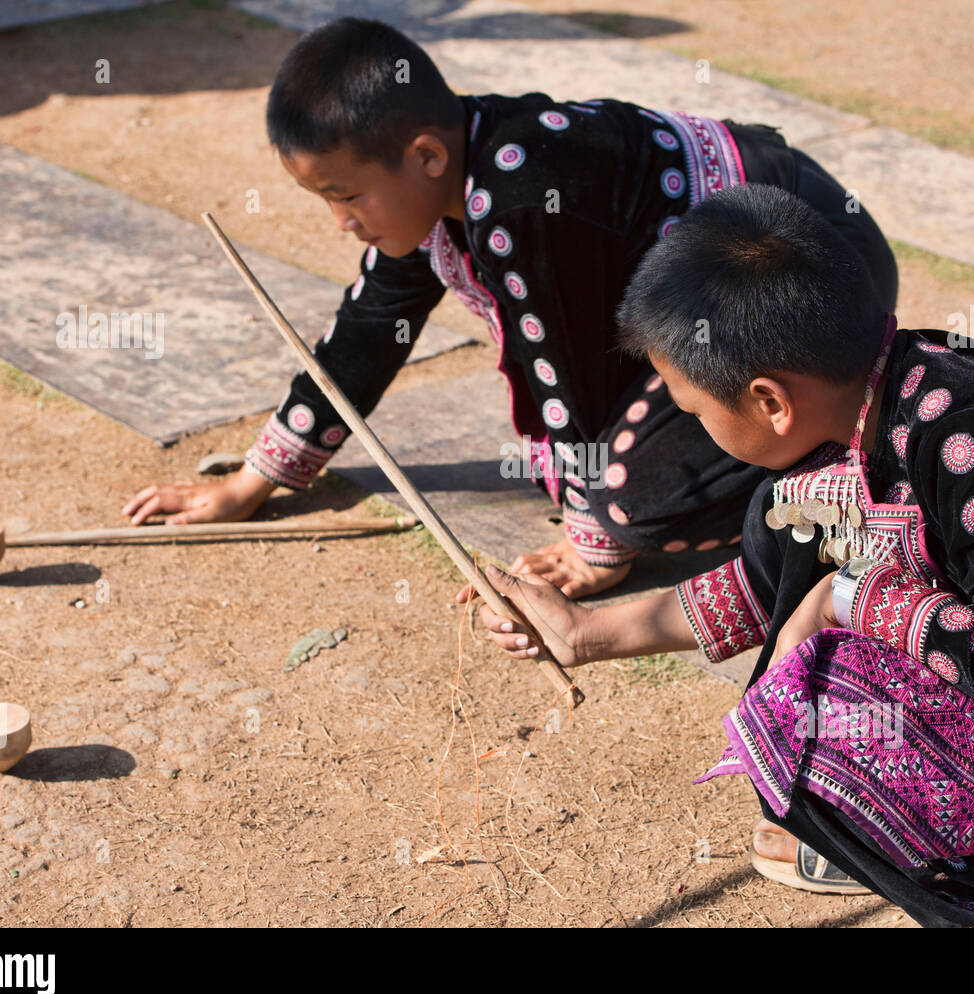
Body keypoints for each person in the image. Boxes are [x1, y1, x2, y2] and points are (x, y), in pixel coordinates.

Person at [463, 183, 974, 927]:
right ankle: (928, 845)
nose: (693, 429)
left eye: (694, 411)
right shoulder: (883, 390)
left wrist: (848, 598)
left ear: (769, 401)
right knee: (786, 524)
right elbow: (769, 580)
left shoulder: (973, 437)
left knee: (809, 725)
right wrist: (582, 633)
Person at [122, 16, 897, 599]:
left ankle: (841, 439)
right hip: (721, 288)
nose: (342, 223)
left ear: (425, 156)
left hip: (813, 262)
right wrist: (256, 481)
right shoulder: (447, 173)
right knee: (599, 474)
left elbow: (574, 360)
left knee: (626, 493)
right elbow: (366, 330)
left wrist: (601, 536)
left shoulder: (524, 197)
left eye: (347, 196)